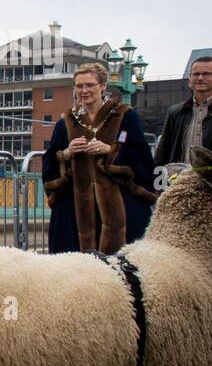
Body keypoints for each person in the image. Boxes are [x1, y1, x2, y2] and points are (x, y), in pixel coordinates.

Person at [43, 63, 156, 254]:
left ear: (103, 86)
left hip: (118, 202)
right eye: (79, 86)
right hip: (76, 206)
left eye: (90, 85)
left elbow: (142, 158)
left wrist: (110, 151)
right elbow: (50, 161)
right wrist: (67, 153)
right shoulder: (66, 122)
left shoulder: (125, 116)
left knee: (120, 262)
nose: (84, 91)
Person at [154, 55, 212, 165]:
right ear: (189, 80)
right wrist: (156, 177)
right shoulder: (175, 111)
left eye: (206, 74)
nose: (200, 78)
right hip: (180, 179)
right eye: (195, 74)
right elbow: (163, 149)